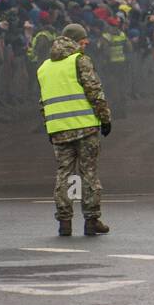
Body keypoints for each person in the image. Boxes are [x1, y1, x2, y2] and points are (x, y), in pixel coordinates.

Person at [37, 23, 112, 236]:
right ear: (75, 40)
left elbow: (43, 103)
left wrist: (50, 128)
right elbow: (94, 91)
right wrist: (105, 118)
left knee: (65, 175)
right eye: (84, 38)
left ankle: (65, 222)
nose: (87, 42)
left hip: (59, 130)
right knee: (88, 173)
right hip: (85, 128)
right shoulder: (80, 61)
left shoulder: (44, 68)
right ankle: (91, 220)